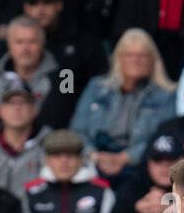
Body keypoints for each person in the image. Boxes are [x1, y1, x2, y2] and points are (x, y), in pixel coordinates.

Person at [70, 28, 177, 181]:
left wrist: (126, 158)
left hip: (139, 167)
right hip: (92, 161)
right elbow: (77, 130)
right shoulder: (96, 87)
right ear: (118, 58)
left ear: (153, 60)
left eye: (142, 55)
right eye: (129, 55)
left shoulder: (166, 95)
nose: (136, 60)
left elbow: (165, 138)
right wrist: (94, 155)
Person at [0, 16, 76, 136]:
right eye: (19, 42)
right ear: (9, 45)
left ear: (43, 44)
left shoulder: (66, 76)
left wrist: (5, 116)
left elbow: (63, 119)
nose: (25, 49)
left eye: (32, 42)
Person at [21, 129, 116, 213]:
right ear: (47, 160)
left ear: (81, 159)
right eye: (57, 156)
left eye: (70, 155)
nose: (64, 161)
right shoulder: (31, 192)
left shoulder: (101, 190)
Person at [21, 0, 108, 94]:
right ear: (26, 8)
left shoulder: (83, 40)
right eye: (34, 3)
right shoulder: (16, 40)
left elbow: (101, 83)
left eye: (47, 2)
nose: (40, 10)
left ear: (59, 5)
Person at [0, 72, 51, 198]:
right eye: (10, 103)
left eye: (23, 102)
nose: (17, 108)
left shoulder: (51, 144)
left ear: (34, 110)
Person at [108, 132, 184, 213]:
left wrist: (172, 208)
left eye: (171, 160)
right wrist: (137, 208)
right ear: (148, 163)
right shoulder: (135, 183)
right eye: (158, 160)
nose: (164, 167)